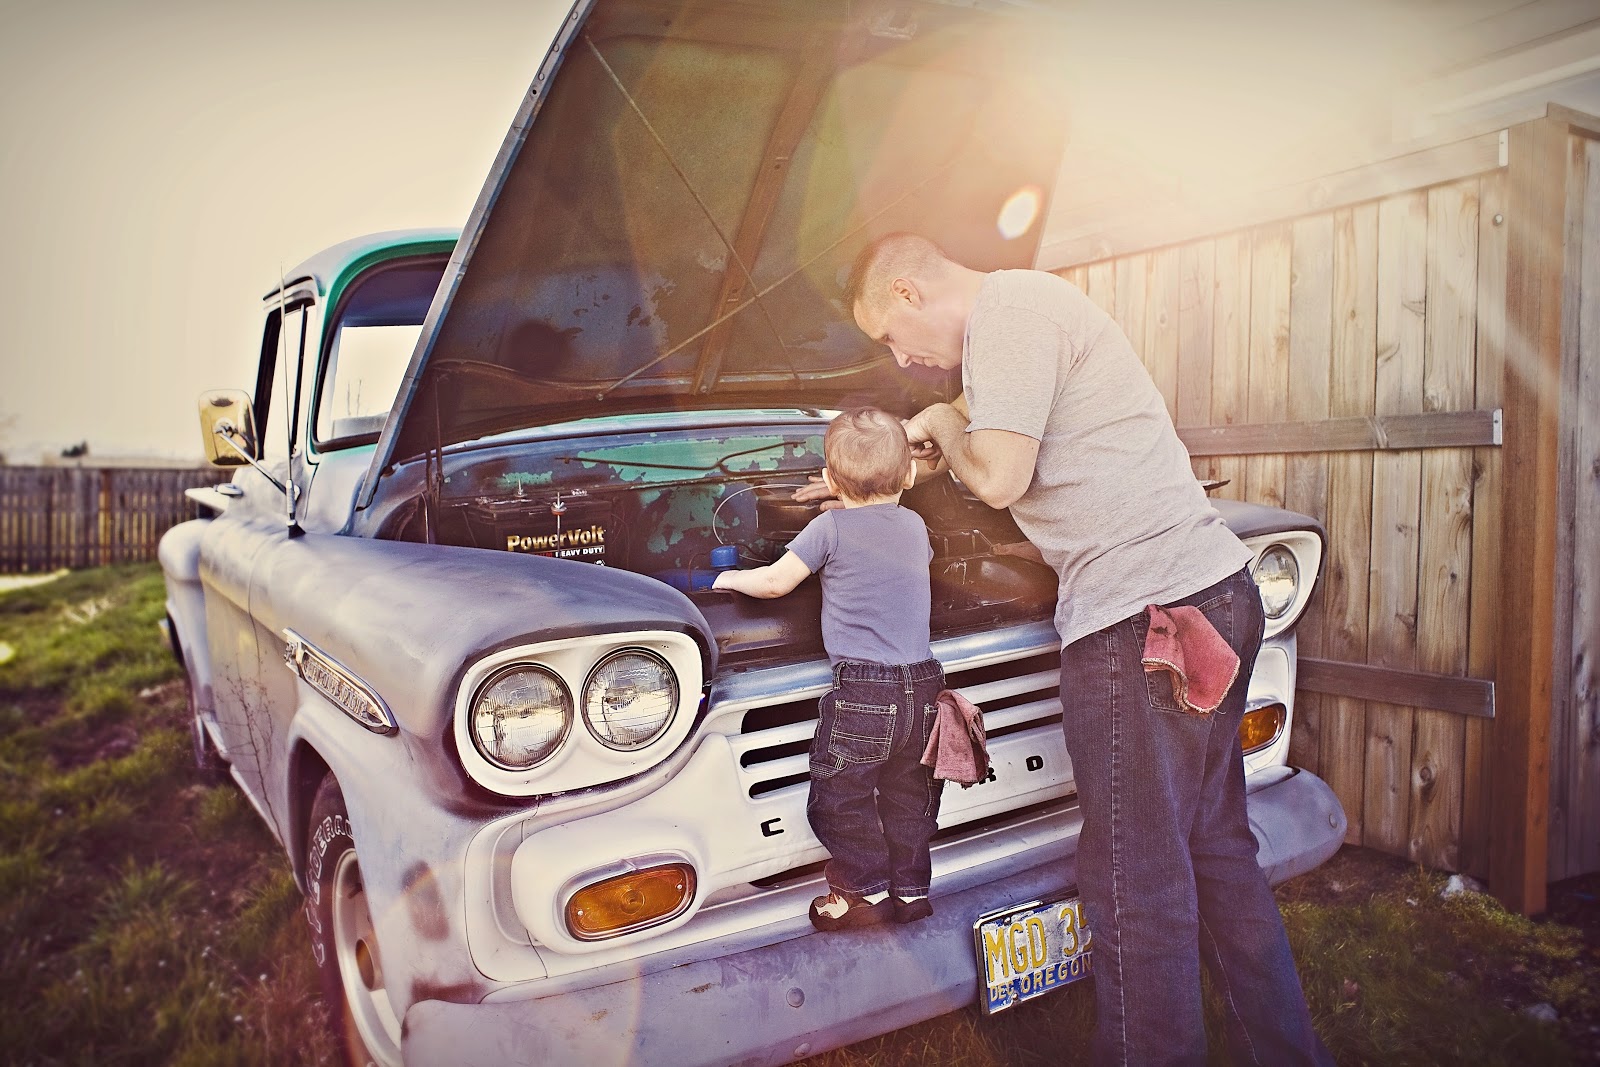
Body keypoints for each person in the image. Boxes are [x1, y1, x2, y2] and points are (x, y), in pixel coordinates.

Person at [829, 232, 1333, 1065]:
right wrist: (950, 423)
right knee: (1215, 850)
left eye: (887, 333)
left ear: (911, 292)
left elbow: (997, 478)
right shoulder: (1027, 314)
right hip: (1212, 590)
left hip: (1148, 624)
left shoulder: (1010, 311)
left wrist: (946, 425)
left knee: (1137, 883)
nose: (899, 355)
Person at [714, 408, 946, 931]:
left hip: (866, 691)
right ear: (909, 475)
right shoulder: (915, 526)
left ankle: (861, 890)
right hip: (924, 685)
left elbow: (776, 583)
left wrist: (729, 578)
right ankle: (910, 891)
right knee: (909, 796)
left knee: (839, 798)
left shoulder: (828, 527)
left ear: (828, 480)